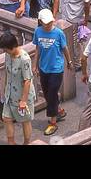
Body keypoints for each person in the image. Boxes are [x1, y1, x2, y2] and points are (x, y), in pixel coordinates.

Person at [32, 8, 68, 136]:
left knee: (52, 93)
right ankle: (58, 110)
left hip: (56, 68)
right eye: (45, 23)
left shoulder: (58, 33)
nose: (48, 25)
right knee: (47, 93)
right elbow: (37, 49)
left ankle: (53, 122)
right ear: (40, 21)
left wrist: (69, 62)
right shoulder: (37, 32)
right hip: (44, 68)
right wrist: (35, 65)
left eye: (50, 23)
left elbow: (64, 48)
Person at [0, 31, 34, 145]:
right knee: (6, 118)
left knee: (25, 121)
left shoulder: (24, 59)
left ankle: (26, 143)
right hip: (9, 94)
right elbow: (7, 73)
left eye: (6, 49)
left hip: (22, 96)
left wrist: (23, 101)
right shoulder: (8, 55)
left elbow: (27, 80)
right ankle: (11, 142)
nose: (5, 52)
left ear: (13, 47)